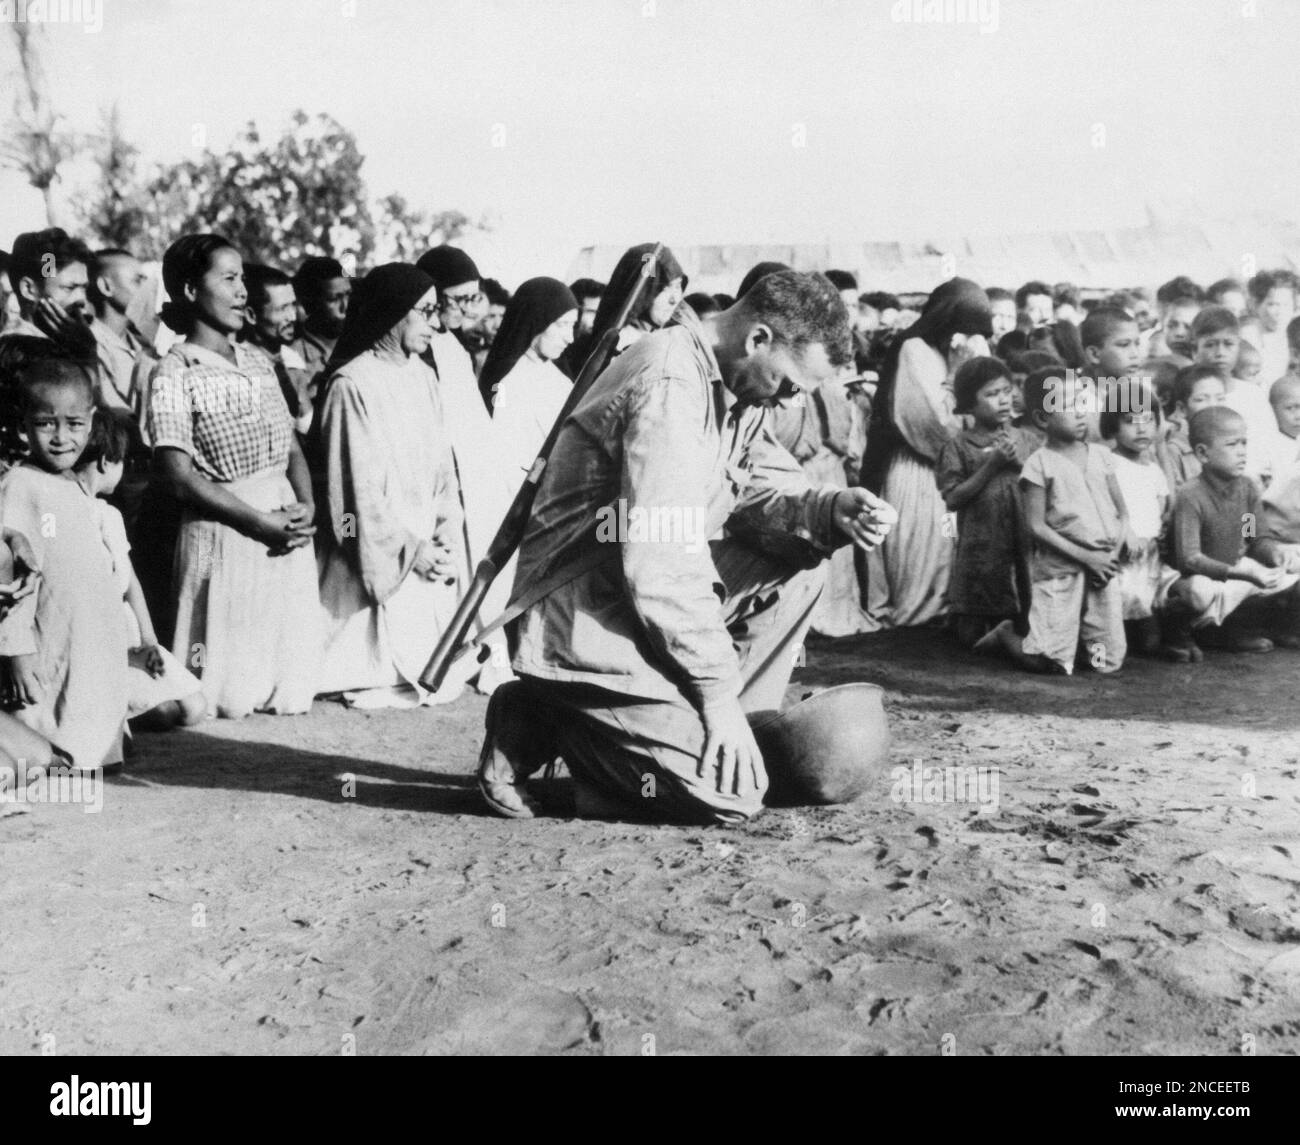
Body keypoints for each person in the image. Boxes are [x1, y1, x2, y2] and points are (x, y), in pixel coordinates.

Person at [476, 270, 897, 824]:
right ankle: (542, 723)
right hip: (585, 619)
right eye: (791, 384)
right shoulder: (671, 383)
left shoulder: (736, 383)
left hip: (630, 601)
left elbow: (756, 489)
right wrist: (717, 697)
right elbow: (663, 563)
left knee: (802, 565)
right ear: (758, 339)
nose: (792, 402)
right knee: (731, 798)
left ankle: (716, 739)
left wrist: (826, 507)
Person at [147, 234, 320, 718]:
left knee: (283, 687)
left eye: (242, 278)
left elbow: (290, 446)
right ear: (188, 292)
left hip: (283, 526)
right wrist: (257, 523)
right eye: (228, 279)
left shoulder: (259, 362)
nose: (242, 291)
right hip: (224, 534)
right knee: (227, 697)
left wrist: (305, 506)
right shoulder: (173, 372)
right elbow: (176, 475)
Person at [315, 263, 467, 708]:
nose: (436, 324)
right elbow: (354, 494)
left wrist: (443, 531)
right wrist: (410, 551)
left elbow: (444, 469)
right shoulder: (351, 384)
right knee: (369, 673)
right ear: (394, 314)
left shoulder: (424, 376)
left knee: (437, 671)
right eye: (426, 312)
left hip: (423, 550)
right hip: (370, 558)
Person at [0, 359, 129, 769]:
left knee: (89, 685)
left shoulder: (75, 483)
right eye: (45, 424)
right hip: (49, 630)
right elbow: (12, 574)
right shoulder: (21, 484)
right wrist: (16, 651)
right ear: (23, 427)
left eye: (73, 424)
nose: (60, 438)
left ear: (90, 423)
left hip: (88, 630)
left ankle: (98, 750)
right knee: (48, 697)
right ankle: (47, 752)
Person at [861, 277, 993, 628]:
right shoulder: (914, 350)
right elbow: (934, 428)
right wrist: (954, 372)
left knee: (947, 555)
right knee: (923, 557)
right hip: (919, 469)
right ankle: (915, 621)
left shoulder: (965, 350)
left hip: (956, 471)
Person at [978, 368, 1128, 675]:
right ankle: (1007, 634)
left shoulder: (1101, 456)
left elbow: (1122, 514)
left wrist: (1111, 554)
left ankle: (1074, 643)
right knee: (1050, 663)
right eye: (1068, 405)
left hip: (1103, 569)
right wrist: (1087, 557)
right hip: (1062, 570)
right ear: (1044, 419)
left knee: (1104, 663)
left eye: (1082, 402)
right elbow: (1037, 527)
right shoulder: (1039, 464)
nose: (1080, 413)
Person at [74, 407, 206, 730]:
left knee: (195, 707)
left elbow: (130, 580)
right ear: (107, 462)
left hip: (129, 633)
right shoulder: (72, 512)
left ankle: (130, 704)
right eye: (125, 464)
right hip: (97, 640)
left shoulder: (110, 515)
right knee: (165, 714)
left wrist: (149, 641)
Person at [1164, 406, 1300, 657]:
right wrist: (1239, 574)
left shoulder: (1246, 488)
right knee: (1199, 592)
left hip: (1234, 571)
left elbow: (1253, 537)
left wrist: (1276, 556)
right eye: (1231, 445)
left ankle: (1232, 631)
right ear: (1203, 454)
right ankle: (1176, 632)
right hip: (1199, 577)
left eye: (1244, 443)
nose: (1241, 452)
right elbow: (1190, 559)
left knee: (1292, 566)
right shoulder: (1191, 495)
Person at [937, 357, 1037, 648]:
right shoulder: (958, 446)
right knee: (971, 630)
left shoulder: (1027, 440)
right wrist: (990, 466)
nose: (1004, 400)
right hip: (982, 536)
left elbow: (1045, 484)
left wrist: (1019, 464)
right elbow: (953, 498)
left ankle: (1014, 631)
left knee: (1025, 592)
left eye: (1006, 391)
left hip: (1024, 530)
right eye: (992, 394)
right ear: (969, 404)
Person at [1098, 379, 1179, 657]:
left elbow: (1167, 504)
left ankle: (1153, 639)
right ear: (1112, 427)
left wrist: (1162, 449)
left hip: (1150, 555)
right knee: (1121, 611)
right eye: (1131, 421)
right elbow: (1107, 508)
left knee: (1149, 634)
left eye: (1148, 420)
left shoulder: (1152, 467)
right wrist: (1126, 533)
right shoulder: (1109, 464)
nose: (1142, 427)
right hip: (1123, 553)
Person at [479, 278, 578, 498]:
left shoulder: (561, 380)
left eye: (573, 326)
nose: (570, 338)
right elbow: (505, 463)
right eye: (562, 325)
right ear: (537, 320)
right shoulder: (505, 383)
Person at [571, 242, 686, 369]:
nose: (674, 299)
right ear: (643, 293)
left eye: (677, 286)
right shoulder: (617, 347)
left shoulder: (669, 337)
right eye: (664, 289)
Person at [1193, 306, 1271, 486]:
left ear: (1238, 346)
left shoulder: (1253, 395)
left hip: (1252, 485)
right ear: (1195, 349)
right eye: (1210, 344)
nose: (1220, 353)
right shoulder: (1193, 395)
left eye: (1228, 344)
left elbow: (1268, 445)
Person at [1, 229, 98, 368]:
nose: (81, 299)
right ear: (29, 289)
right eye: (69, 288)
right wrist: (88, 355)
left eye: (84, 288)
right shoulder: (15, 354)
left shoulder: (70, 342)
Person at [241, 263, 314, 435]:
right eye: (282, 309)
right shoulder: (241, 367)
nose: (293, 316)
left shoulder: (291, 360)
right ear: (251, 315)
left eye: (293, 305)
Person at [87, 248, 153, 413]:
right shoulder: (90, 344)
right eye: (138, 281)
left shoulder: (142, 343)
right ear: (106, 287)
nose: (148, 290)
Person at [1156, 364, 1226, 493]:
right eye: (1201, 400)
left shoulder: (1229, 442)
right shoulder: (1174, 451)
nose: (1213, 406)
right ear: (1182, 409)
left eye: (1220, 398)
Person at [290, 256, 350, 381]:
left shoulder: (360, 343)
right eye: (334, 299)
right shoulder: (293, 355)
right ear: (310, 304)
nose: (345, 306)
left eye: (348, 295)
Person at [1247, 269, 1300, 385]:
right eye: (1273, 304)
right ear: (1256, 305)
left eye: (1286, 305)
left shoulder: (1295, 339)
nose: (1280, 312)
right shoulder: (1248, 339)